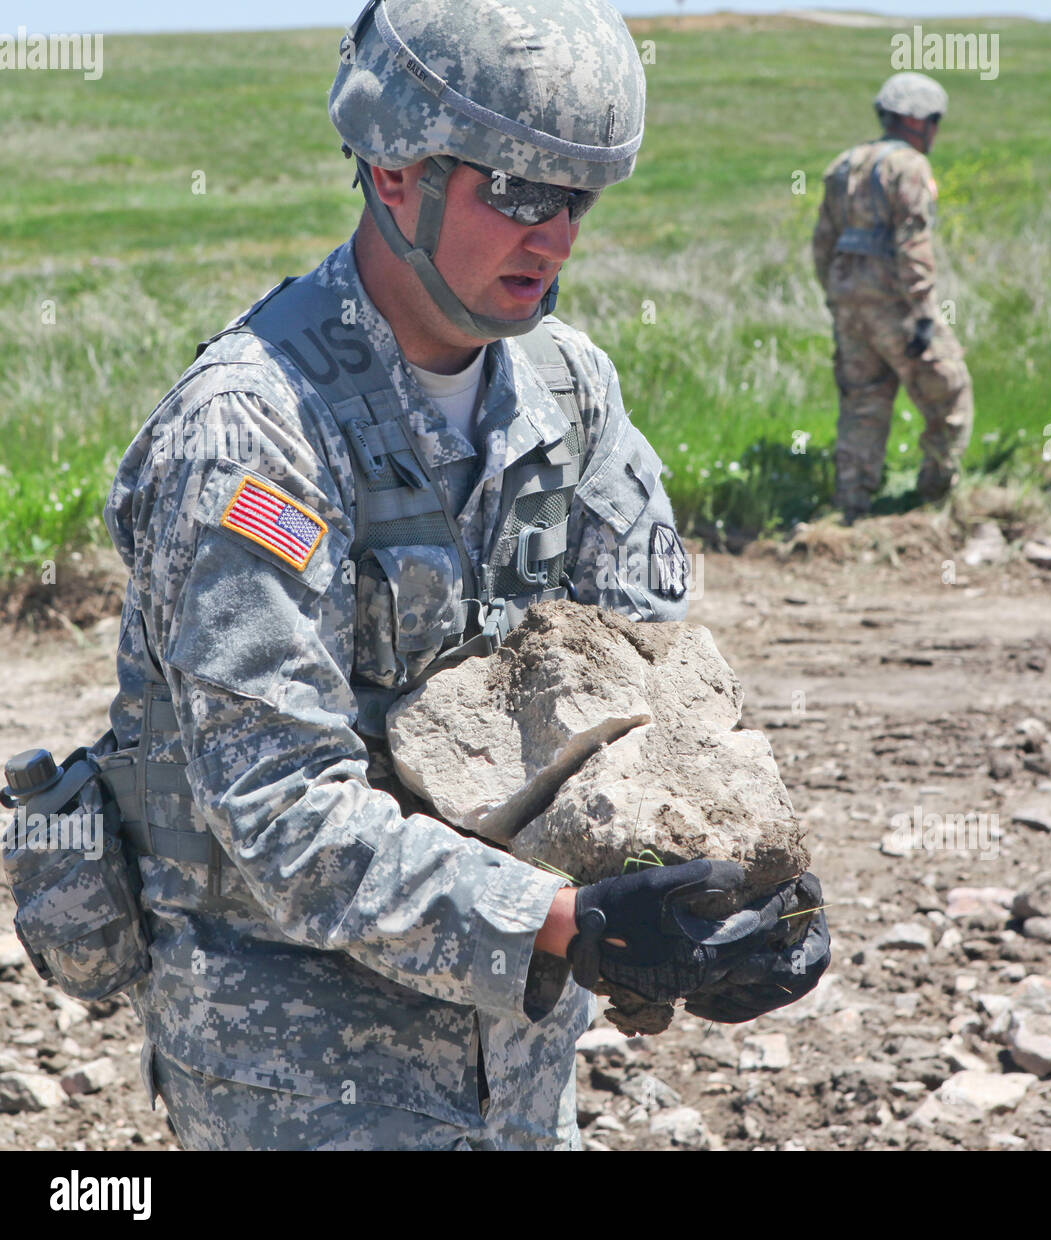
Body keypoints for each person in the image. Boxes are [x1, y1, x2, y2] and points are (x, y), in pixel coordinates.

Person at [92, 0, 828, 1150]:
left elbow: (656, 694)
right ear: (395, 173)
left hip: (518, 1050)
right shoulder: (253, 433)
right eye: (519, 195)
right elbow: (279, 808)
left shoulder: (570, 392)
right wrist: (561, 920)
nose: (557, 239)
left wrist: (727, 897)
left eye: (577, 200)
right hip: (300, 1062)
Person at [812, 71, 974, 519]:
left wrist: (838, 298)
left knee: (863, 404)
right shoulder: (910, 166)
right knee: (950, 394)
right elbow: (913, 242)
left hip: (849, 308)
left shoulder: (843, 165)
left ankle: (851, 507)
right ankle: (935, 499)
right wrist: (923, 312)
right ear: (920, 122)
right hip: (897, 307)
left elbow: (822, 243)